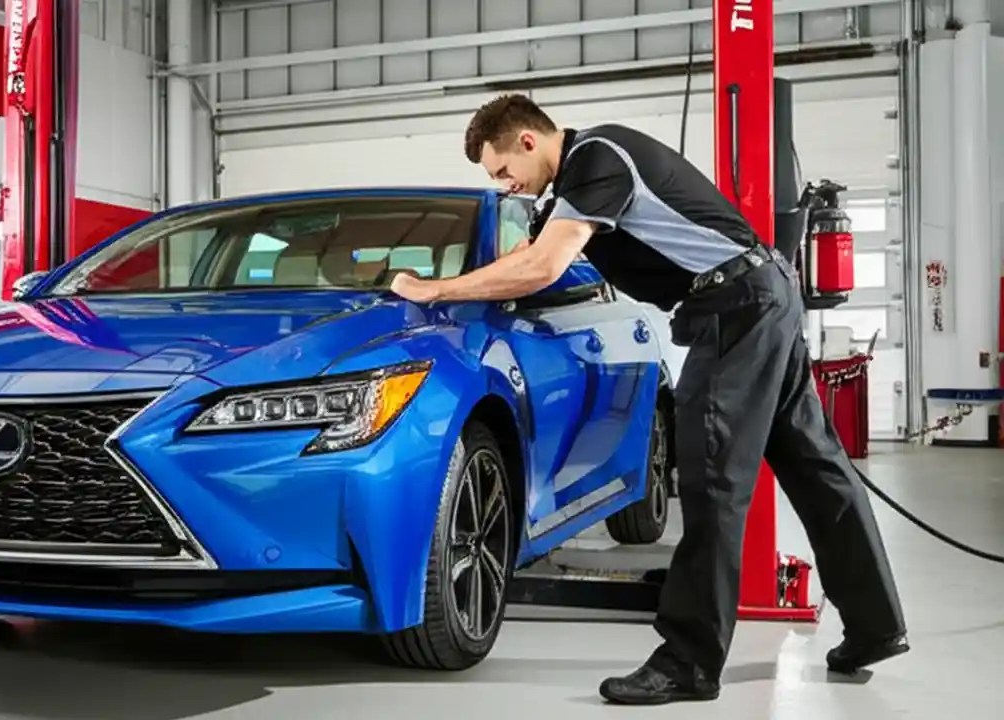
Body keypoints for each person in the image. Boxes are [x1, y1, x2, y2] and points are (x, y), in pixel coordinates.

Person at [389, 93, 908, 706]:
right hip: (760, 294)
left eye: (503, 172)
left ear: (527, 142)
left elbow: (543, 268)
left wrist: (434, 290)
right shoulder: (564, 193)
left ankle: (689, 661)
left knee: (713, 481)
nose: (506, 187)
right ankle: (876, 626)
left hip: (737, 308)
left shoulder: (597, 158)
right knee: (816, 467)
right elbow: (527, 260)